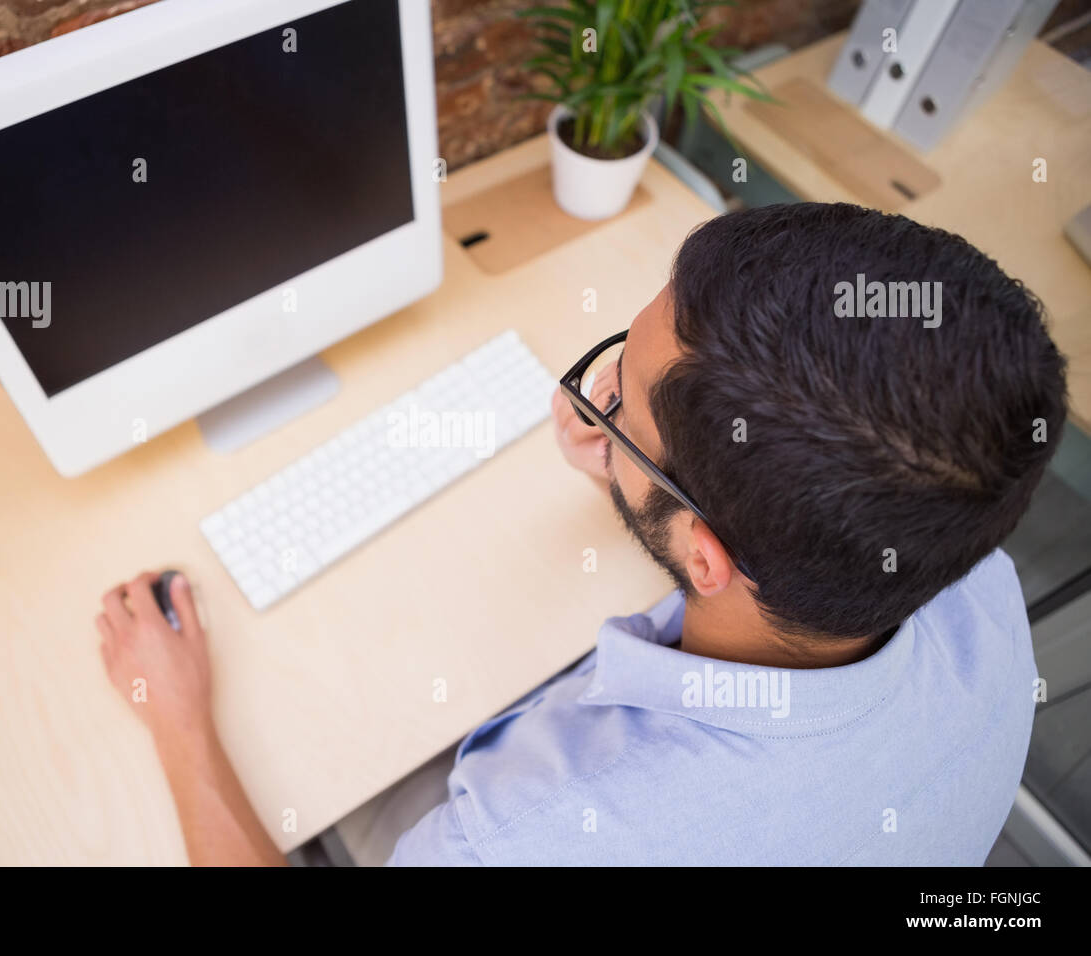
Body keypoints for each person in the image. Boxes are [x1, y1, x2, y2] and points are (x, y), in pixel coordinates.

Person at [95, 203, 1067, 865]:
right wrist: (644, 469)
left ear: (705, 553)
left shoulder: (535, 833)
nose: (594, 400)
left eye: (620, 402)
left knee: (341, 770)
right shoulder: (964, 550)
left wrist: (177, 718)